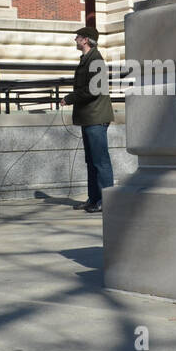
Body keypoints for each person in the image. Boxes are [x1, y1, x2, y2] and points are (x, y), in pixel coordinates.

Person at [60, 26, 113, 213]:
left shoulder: (96, 60)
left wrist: (69, 98)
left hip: (96, 117)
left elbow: (94, 90)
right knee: (91, 161)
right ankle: (94, 198)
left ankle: (106, 201)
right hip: (89, 117)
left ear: (85, 40)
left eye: (78, 37)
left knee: (100, 161)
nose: (75, 39)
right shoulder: (87, 59)